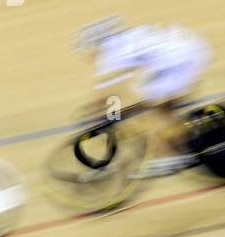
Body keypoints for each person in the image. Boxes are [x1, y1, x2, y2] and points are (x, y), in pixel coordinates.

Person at [73, 16, 210, 175]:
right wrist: (109, 112)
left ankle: (173, 157)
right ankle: (184, 139)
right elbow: (115, 92)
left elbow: (110, 93)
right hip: (190, 49)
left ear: (95, 44)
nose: (88, 56)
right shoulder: (124, 39)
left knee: (150, 108)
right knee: (152, 100)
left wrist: (102, 115)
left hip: (178, 59)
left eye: (88, 51)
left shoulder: (110, 51)